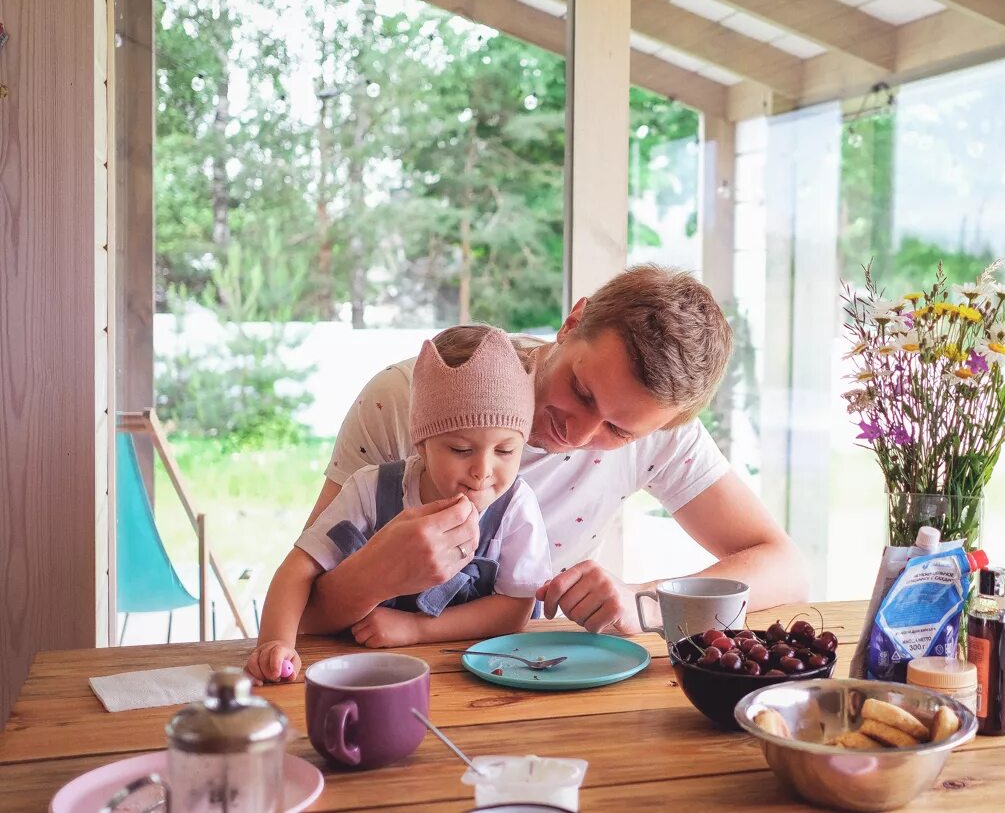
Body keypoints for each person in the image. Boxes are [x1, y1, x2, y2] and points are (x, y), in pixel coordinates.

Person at [299, 265, 807, 637]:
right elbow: (301, 614)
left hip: (537, 683)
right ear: (572, 322)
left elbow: (785, 567)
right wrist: (374, 573)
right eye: (582, 392)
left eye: (618, 432)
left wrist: (646, 602)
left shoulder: (663, 432)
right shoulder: (407, 399)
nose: (581, 436)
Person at [246, 327, 550, 683]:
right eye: (461, 450)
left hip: (472, 681)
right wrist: (275, 643)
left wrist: (413, 628)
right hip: (364, 677)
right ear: (422, 444)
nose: (482, 471)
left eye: (505, 451)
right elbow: (298, 569)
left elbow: (515, 609)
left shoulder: (515, 507)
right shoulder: (371, 490)